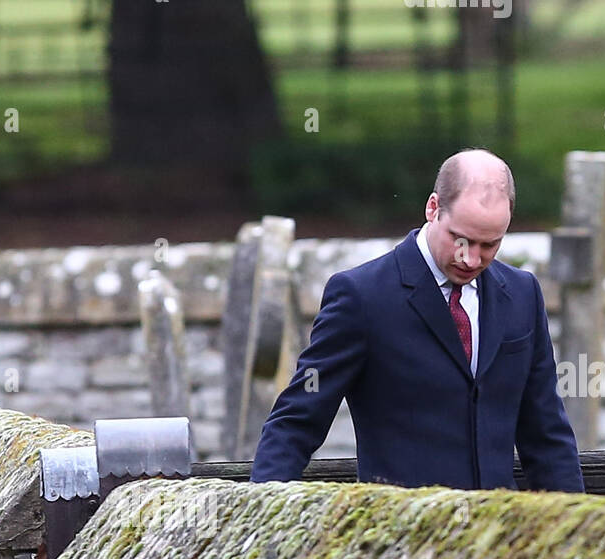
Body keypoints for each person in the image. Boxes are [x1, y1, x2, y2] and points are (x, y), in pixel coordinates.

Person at [250, 148, 585, 494]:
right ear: (433, 208)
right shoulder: (361, 297)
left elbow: (547, 437)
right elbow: (297, 418)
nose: (470, 258)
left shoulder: (523, 294)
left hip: (498, 537)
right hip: (400, 537)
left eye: (489, 245)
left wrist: (579, 533)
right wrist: (259, 518)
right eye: (461, 239)